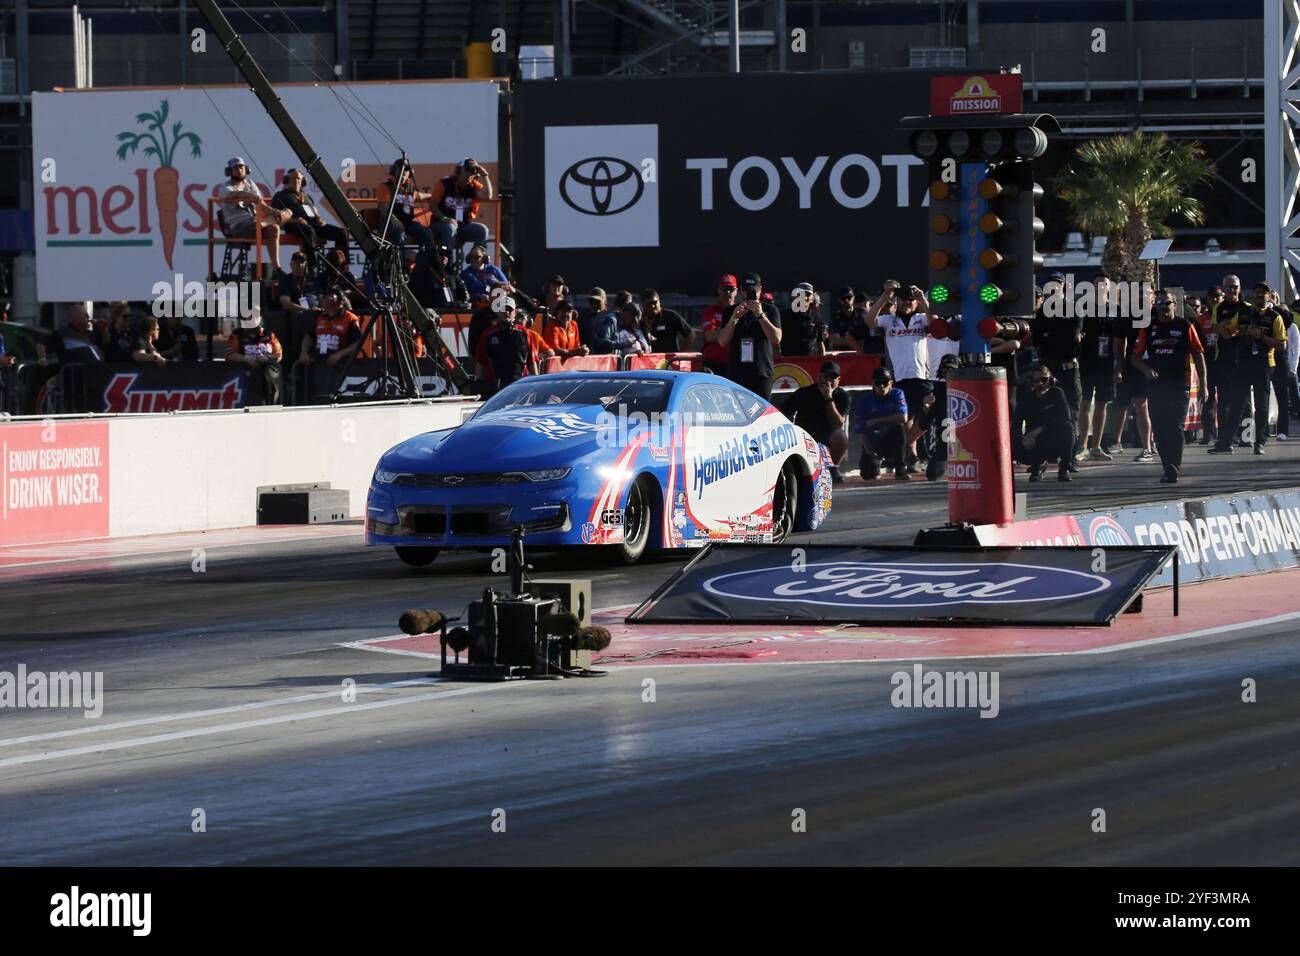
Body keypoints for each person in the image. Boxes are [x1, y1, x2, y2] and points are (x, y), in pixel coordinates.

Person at [1129, 290, 1208, 483]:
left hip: (1180, 384)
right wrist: (1146, 370)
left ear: (1175, 305)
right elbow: (1135, 357)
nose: (1163, 308)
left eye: (1167, 303)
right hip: (1156, 385)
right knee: (1160, 428)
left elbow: (1198, 354)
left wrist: (1204, 385)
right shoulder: (1148, 327)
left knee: (1175, 427)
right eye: (1160, 303)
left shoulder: (1184, 326)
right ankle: (1167, 467)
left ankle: (1173, 469)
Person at [862, 282, 931, 470]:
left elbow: (935, 324)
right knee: (907, 419)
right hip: (899, 377)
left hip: (922, 375)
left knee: (928, 414)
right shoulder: (888, 320)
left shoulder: (921, 318)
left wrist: (922, 300)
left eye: (910, 300)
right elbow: (869, 320)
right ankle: (910, 456)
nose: (907, 303)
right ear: (897, 301)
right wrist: (884, 297)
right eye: (903, 300)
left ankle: (903, 450)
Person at [1031, 273, 1083, 470]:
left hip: (1069, 368)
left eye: (1058, 284)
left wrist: (1051, 335)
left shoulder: (1074, 307)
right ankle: (1041, 458)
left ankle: (1069, 458)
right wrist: (1057, 336)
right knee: (1043, 411)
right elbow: (1037, 339)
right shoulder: (1042, 311)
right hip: (1048, 369)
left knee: (1071, 412)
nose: (1054, 288)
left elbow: (1073, 336)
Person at [780, 360, 849, 483]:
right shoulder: (804, 393)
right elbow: (784, 411)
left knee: (840, 436)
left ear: (838, 379)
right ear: (819, 377)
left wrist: (828, 398)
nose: (828, 380)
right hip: (806, 438)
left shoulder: (843, 396)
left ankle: (831, 468)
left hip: (829, 440)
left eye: (832, 377)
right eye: (825, 376)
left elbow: (839, 423)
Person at [1108, 285, 1155, 462]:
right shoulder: (1128, 316)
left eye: (1147, 294)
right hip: (1134, 366)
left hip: (1158, 366)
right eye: (1139, 294)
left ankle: (1152, 442)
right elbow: (1118, 344)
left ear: (1153, 297)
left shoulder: (1160, 314)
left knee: (1154, 406)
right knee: (1137, 404)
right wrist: (1119, 367)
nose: (1143, 297)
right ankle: (1144, 447)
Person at [218, 157, 288, 277]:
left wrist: (276, 213)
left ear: (246, 169)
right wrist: (246, 195)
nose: (239, 170)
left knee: (275, 227)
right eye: (235, 168)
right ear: (229, 172)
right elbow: (230, 195)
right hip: (238, 226)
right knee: (273, 220)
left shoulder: (250, 184)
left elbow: (261, 205)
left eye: (241, 167)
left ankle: (277, 269)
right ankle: (275, 219)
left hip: (256, 222)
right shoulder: (225, 187)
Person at [718, 273, 782, 399]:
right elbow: (722, 341)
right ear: (742, 291)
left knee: (762, 413)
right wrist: (734, 318)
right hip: (737, 372)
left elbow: (776, 338)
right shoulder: (731, 311)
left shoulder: (770, 310)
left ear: (760, 289)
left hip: (761, 373)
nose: (750, 294)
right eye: (747, 291)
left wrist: (761, 315)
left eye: (754, 290)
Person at [271, 167, 347, 274]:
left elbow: (315, 212)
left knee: (341, 232)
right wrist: (294, 220)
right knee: (308, 230)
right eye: (293, 178)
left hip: (313, 225)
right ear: (286, 180)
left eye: (298, 179)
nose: (296, 181)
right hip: (294, 225)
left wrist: (320, 219)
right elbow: (276, 217)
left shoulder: (306, 196)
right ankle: (312, 269)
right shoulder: (280, 196)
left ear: (303, 181)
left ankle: (341, 268)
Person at [1014, 364, 1077, 482]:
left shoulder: (1057, 393)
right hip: (1034, 442)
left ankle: (1064, 469)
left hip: (1053, 438)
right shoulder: (1026, 398)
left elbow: (1065, 418)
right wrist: (1022, 439)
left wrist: (1040, 430)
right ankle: (1037, 467)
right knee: (1014, 444)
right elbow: (1016, 423)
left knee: (1068, 428)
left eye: (1044, 379)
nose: (1040, 384)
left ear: (1051, 380)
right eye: (1036, 380)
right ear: (1031, 382)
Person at [1078, 274, 1116, 460]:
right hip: (1087, 361)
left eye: (1104, 285)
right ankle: (1082, 446)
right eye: (1097, 284)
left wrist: (1119, 365)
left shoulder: (1116, 309)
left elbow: (1120, 340)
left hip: (1107, 363)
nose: (1101, 287)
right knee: (1084, 402)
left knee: (1102, 403)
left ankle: (1096, 447)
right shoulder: (1082, 307)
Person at [429, 158, 493, 264]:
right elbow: (433, 205)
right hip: (441, 224)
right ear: (459, 171)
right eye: (467, 170)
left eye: (473, 171)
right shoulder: (444, 183)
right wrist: (445, 219)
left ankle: (475, 258)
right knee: (450, 227)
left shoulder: (474, 185)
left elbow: (488, 196)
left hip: (462, 225)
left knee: (483, 230)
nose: (469, 174)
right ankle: (447, 261)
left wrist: (484, 174)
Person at [852, 366, 909, 481]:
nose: (881, 386)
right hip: (874, 442)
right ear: (873, 384)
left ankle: (900, 467)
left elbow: (903, 417)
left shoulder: (897, 394)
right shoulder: (864, 401)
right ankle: (875, 463)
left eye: (885, 382)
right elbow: (862, 430)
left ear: (891, 383)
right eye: (878, 383)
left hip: (892, 442)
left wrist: (876, 421)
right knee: (867, 474)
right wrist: (870, 453)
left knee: (898, 426)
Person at [474, 298, 536, 391]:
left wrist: (537, 385)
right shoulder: (488, 334)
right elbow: (481, 363)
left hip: (519, 385)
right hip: (495, 388)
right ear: (498, 312)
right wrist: (480, 386)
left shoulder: (525, 334)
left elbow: (531, 362)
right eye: (503, 309)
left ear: (515, 312)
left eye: (509, 309)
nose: (506, 312)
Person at [376, 160, 435, 255]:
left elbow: (416, 195)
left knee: (426, 233)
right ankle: (401, 266)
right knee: (399, 233)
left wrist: (430, 195)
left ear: (409, 173)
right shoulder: (386, 186)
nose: (403, 172)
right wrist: (395, 220)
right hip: (390, 223)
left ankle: (425, 264)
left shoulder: (409, 186)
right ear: (394, 170)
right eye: (401, 169)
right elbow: (383, 207)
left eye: (406, 170)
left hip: (408, 223)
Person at [226, 306, 283, 405]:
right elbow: (229, 355)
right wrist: (247, 359)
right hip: (246, 376)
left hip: (268, 376)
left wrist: (267, 358)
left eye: (256, 316)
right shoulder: (237, 335)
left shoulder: (269, 334)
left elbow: (279, 354)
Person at [297, 288, 362, 370]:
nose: (325, 299)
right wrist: (304, 353)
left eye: (330, 297)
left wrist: (339, 354)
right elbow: (308, 337)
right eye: (325, 297)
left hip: (340, 366)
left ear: (340, 302)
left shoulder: (349, 318)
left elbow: (358, 343)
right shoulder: (321, 318)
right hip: (318, 364)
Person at [920, 353, 960, 481]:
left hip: (968, 441)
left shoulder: (970, 388)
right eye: (945, 369)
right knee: (933, 473)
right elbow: (924, 424)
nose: (948, 373)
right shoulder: (936, 391)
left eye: (951, 370)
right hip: (946, 444)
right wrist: (926, 408)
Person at [1196, 286, 1225, 444]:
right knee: (1207, 398)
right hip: (1208, 362)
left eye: (1218, 296)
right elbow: (1197, 342)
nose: (1215, 299)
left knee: (1225, 399)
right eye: (1212, 296)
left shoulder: (1227, 314)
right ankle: (1208, 434)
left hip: (1224, 361)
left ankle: (1226, 434)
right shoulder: (1201, 319)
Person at [410, 245, 469, 311]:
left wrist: (461, 304)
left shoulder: (453, 275)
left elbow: (465, 297)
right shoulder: (422, 275)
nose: (443, 257)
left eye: (446, 255)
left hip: (453, 313)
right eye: (440, 254)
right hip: (432, 314)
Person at [699, 275, 738, 374]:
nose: (728, 292)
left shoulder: (742, 311)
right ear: (719, 291)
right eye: (724, 289)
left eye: (731, 289)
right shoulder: (709, 312)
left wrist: (721, 333)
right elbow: (710, 336)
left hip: (736, 363)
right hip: (713, 363)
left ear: (737, 291)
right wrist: (734, 333)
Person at [781, 282, 828, 357]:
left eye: (808, 295)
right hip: (790, 363)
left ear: (812, 299)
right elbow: (776, 341)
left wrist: (821, 362)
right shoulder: (785, 315)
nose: (805, 298)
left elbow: (820, 343)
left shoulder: (816, 317)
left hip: (810, 363)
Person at [644, 289, 694, 353]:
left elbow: (690, 334)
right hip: (648, 359)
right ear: (643, 305)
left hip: (670, 359)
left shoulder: (671, 316)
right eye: (649, 304)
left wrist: (681, 354)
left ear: (659, 301)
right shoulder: (640, 318)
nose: (653, 306)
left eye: (654, 302)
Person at [578, 288, 619, 356]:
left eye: (597, 301)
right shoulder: (583, 316)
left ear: (605, 301)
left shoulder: (612, 317)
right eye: (591, 301)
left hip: (606, 359)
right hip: (588, 359)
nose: (594, 304)